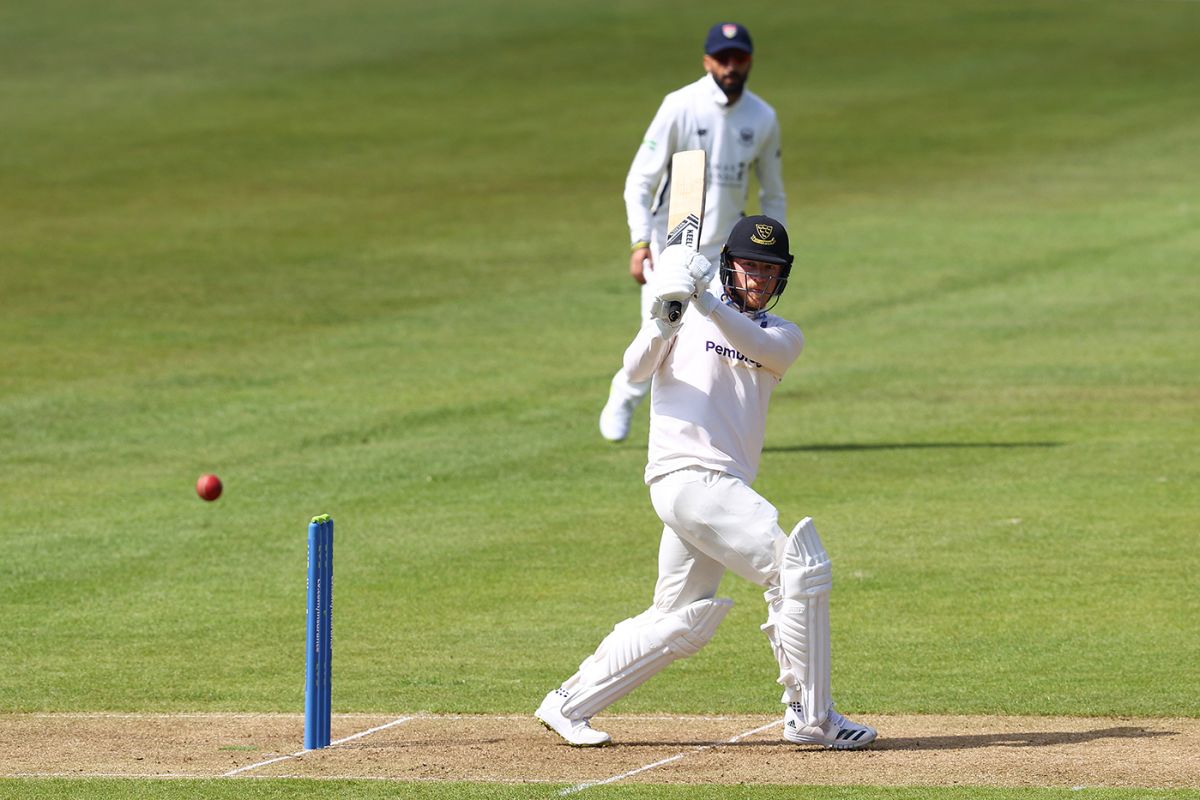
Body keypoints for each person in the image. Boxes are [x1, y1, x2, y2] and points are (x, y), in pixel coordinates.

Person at [537, 216, 877, 750]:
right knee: (797, 569)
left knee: (681, 617)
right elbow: (633, 369)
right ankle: (812, 718)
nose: (760, 277)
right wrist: (663, 318)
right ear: (729, 265)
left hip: (709, 491)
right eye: (751, 266)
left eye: (771, 269)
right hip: (690, 477)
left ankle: (570, 702)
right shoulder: (685, 316)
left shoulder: (781, 334)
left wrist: (705, 302)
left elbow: (758, 347)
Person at [599, 21, 787, 442]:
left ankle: (710, 432)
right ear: (707, 61)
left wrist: (773, 250)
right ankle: (624, 395)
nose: (730, 66)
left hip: (727, 255)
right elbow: (639, 181)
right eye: (722, 58)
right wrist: (639, 240)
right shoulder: (680, 105)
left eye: (738, 58)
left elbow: (774, 194)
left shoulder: (762, 116)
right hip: (672, 245)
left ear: (749, 61)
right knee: (662, 333)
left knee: (720, 344)